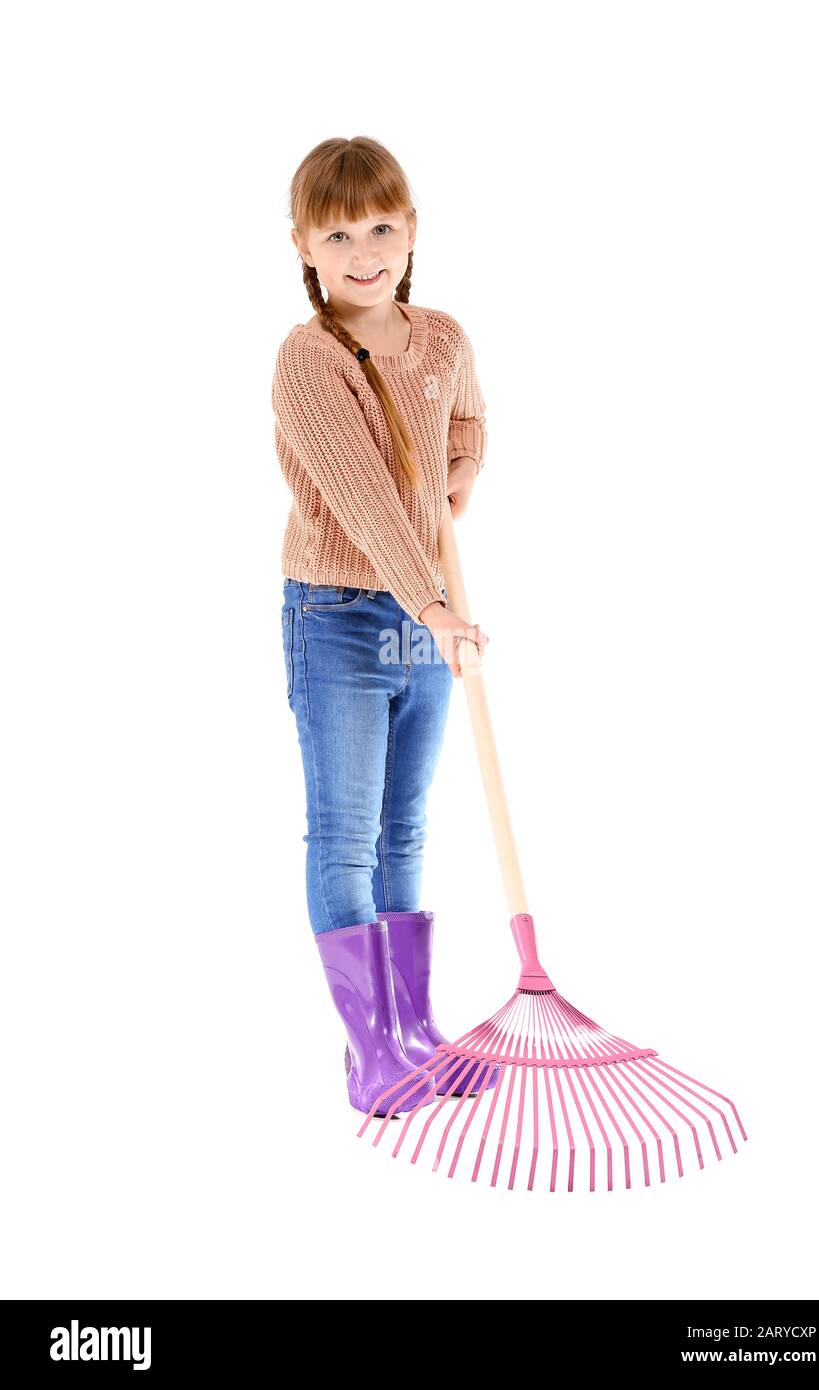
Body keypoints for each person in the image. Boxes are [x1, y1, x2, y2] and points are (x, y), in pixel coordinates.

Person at [272, 135, 496, 1117]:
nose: (363, 249)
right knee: (346, 841)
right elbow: (363, 502)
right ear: (303, 247)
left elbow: (467, 428)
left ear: (409, 233)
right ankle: (370, 1054)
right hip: (339, 620)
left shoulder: (440, 336)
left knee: (404, 831)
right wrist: (437, 604)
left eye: (381, 226)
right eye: (338, 232)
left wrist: (453, 484)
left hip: (421, 612)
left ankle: (416, 1033)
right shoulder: (308, 359)